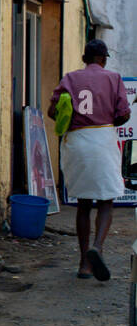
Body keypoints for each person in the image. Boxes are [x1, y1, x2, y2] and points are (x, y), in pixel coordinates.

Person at [48, 39, 131, 281]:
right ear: (103, 59)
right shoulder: (113, 78)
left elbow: (53, 111)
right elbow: (123, 113)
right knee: (106, 201)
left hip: (77, 141)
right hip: (103, 138)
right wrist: (109, 122)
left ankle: (84, 264)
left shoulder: (70, 78)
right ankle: (98, 247)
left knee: (84, 203)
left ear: (84, 58)